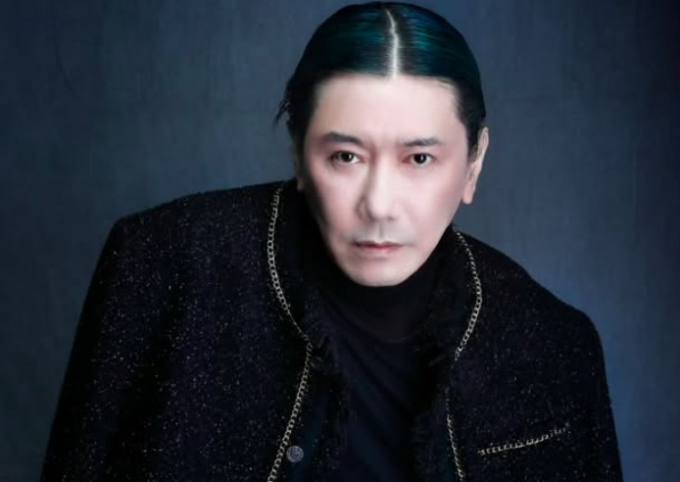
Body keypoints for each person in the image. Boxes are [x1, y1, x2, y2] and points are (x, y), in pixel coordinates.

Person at [41, 2, 622, 481]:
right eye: (345, 156)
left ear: (474, 163)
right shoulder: (164, 264)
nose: (379, 203)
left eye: (420, 158)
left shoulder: (554, 344)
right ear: (299, 154)